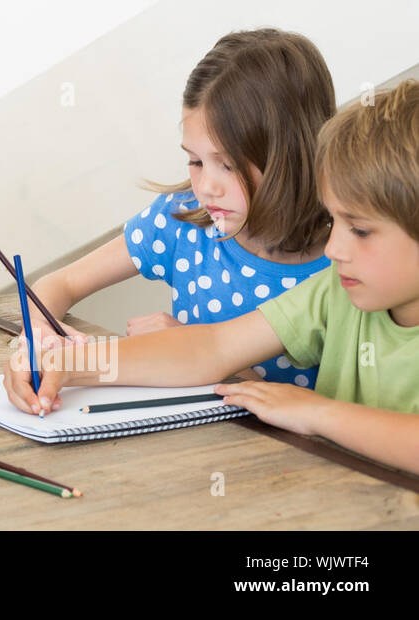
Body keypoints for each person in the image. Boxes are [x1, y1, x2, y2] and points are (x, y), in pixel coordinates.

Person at [3, 81, 419, 476]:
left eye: (360, 230)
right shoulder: (335, 291)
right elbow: (211, 347)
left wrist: (317, 412)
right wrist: (67, 364)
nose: (334, 249)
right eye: (335, 222)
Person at [20, 29, 336, 385]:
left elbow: (334, 420)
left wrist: (182, 346)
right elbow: (62, 282)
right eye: (196, 162)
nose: (205, 189)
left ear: (290, 155)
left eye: (228, 165)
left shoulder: (348, 263)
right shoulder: (183, 221)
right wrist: (39, 326)